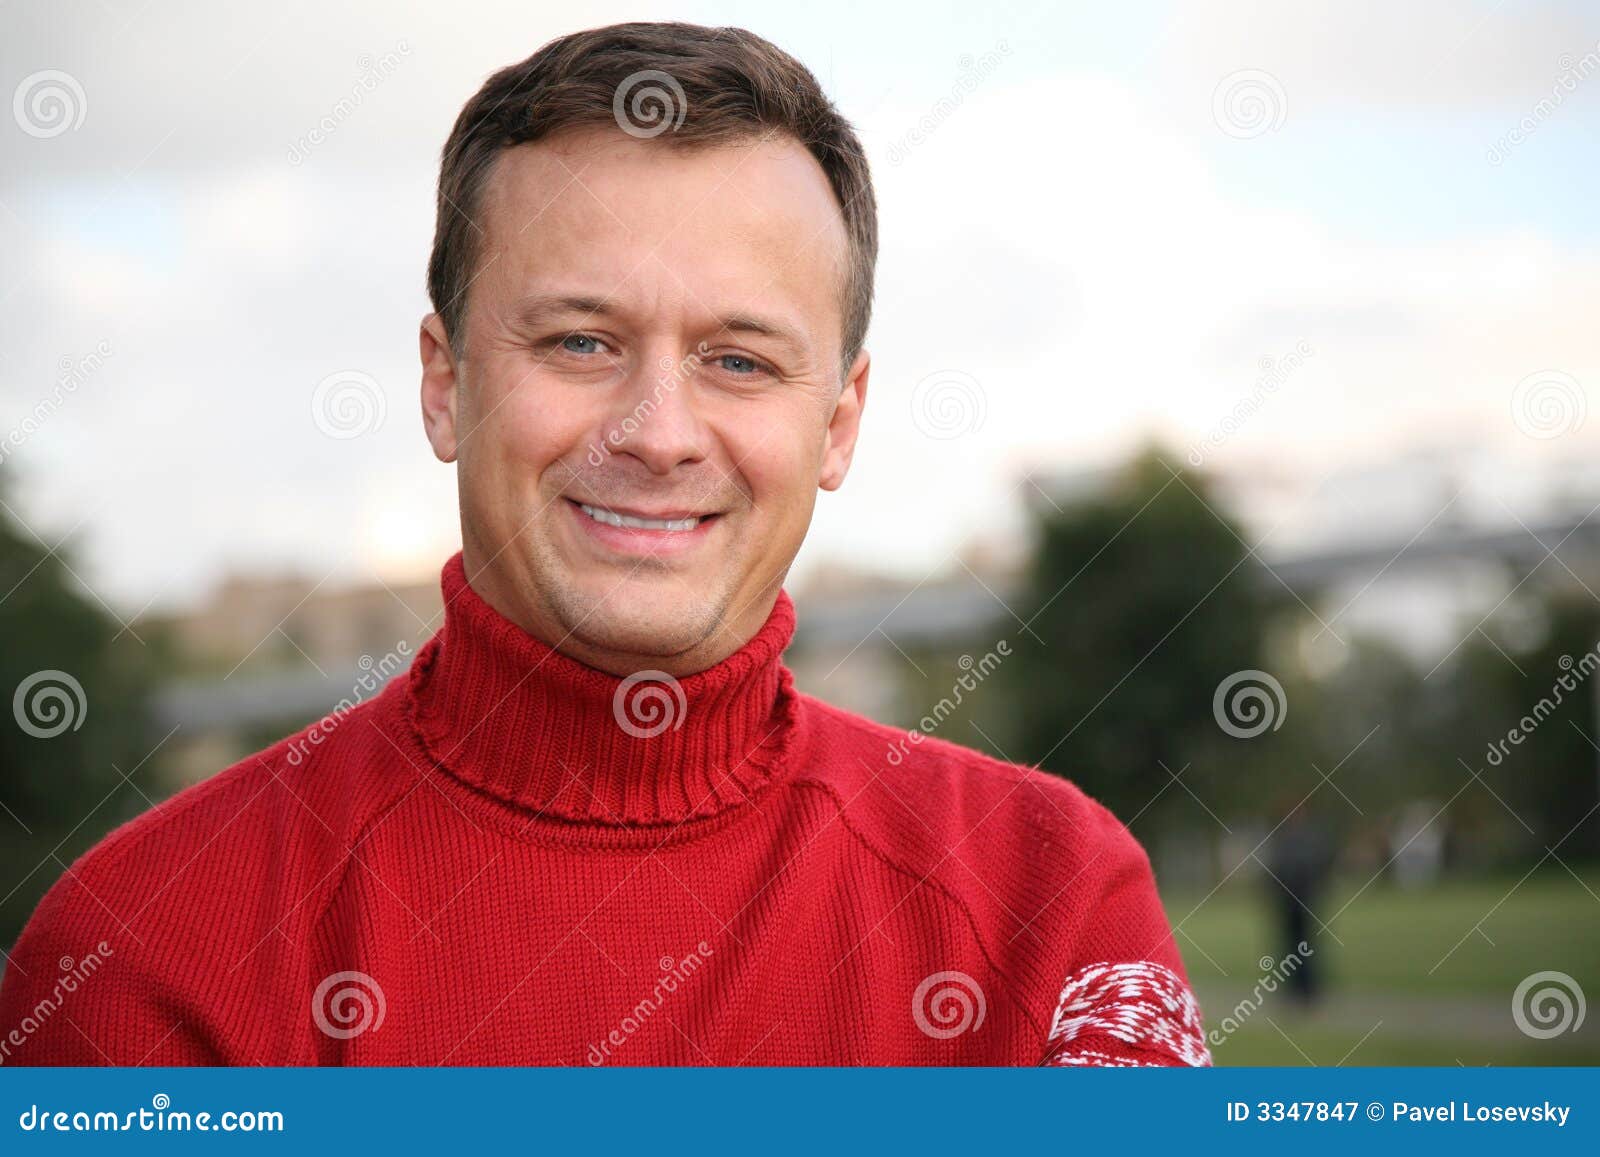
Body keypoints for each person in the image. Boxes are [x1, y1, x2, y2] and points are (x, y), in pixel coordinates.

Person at [0, 22, 1209, 1067]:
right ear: (444, 381)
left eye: (737, 358)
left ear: (836, 423)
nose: (658, 433)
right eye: (581, 341)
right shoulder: (144, 947)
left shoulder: (1048, 905)